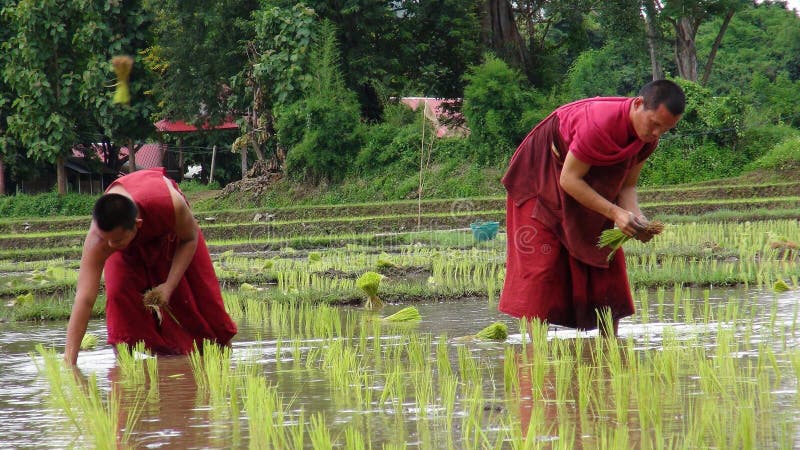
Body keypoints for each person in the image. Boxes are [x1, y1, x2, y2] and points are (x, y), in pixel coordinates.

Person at [499, 79, 685, 336]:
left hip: (581, 180)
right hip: (540, 177)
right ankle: (536, 352)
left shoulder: (647, 141)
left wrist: (636, 218)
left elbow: (627, 187)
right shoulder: (597, 124)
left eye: (664, 130)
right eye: (654, 124)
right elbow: (568, 179)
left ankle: (609, 344)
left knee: (605, 256)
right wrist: (615, 212)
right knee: (542, 263)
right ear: (638, 104)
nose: (656, 134)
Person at [64, 167, 237, 364]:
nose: (111, 246)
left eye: (117, 241)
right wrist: (70, 361)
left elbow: (189, 238)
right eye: (107, 240)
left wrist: (169, 286)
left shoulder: (169, 204)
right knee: (119, 296)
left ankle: (224, 359)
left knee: (200, 296)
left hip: (174, 236)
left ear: (137, 225)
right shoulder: (100, 240)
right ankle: (125, 366)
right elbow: (84, 298)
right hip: (128, 244)